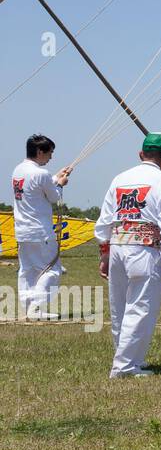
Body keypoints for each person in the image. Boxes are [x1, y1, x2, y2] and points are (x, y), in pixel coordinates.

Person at [94, 132, 161, 378]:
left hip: (118, 247)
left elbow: (104, 221)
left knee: (120, 308)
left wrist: (104, 255)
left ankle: (130, 359)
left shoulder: (120, 179)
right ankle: (124, 367)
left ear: (141, 154)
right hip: (145, 250)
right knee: (141, 307)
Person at [10, 133, 73, 319]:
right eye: (50, 153)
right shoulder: (41, 173)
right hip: (40, 231)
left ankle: (28, 308)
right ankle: (37, 307)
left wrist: (55, 178)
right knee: (52, 269)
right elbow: (53, 197)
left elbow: (36, 189)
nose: (51, 157)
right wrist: (60, 184)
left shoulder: (18, 170)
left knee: (27, 270)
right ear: (40, 151)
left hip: (22, 230)